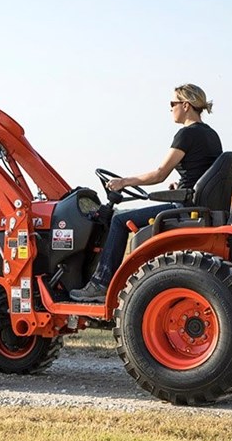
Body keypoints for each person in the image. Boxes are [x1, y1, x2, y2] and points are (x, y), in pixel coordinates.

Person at [70, 83, 222, 303]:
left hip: (184, 207)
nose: (170, 108)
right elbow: (203, 172)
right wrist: (180, 185)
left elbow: (159, 174)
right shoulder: (211, 135)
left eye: (173, 103)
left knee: (120, 220)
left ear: (186, 105)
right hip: (194, 203)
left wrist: (124, 181)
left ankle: (100, 284)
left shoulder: (186, 135)